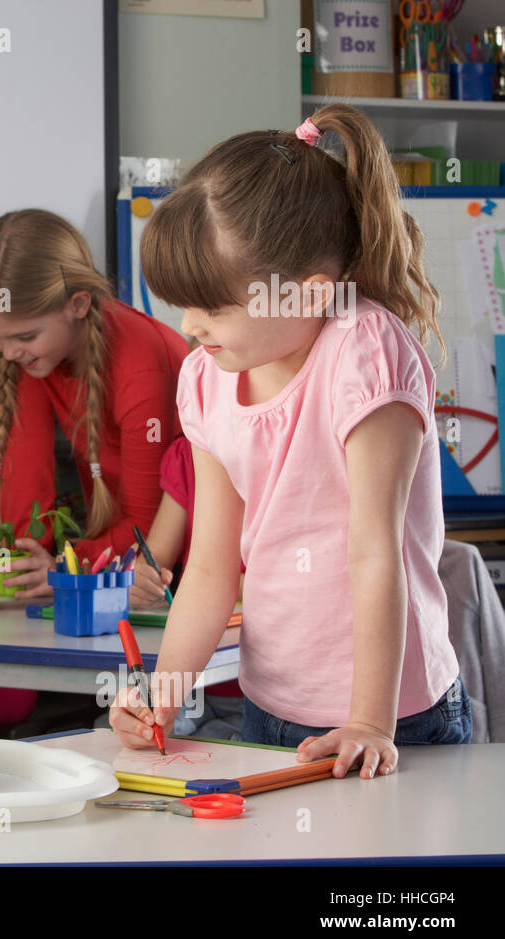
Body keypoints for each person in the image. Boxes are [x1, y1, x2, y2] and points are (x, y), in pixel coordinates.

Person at [110, 107, 471, 779]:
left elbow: (374, 551)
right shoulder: (208, 379)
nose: (189, 327)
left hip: (396, 714)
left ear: (306, 297)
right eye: (182, 305)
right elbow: (213, 567)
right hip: (270, 706)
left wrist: (368, 721)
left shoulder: (361, 353)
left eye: (213, 308)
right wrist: (164, 695)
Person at [0, 209, 191, 601]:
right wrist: (23, 559)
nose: (8, 352)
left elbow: (146, 520)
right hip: (110, 565)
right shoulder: (30, 356)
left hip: (171, 567)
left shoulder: (142, 364)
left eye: (25, 335)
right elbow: (26, 478)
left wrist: (66, 565)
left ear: (79, 304)